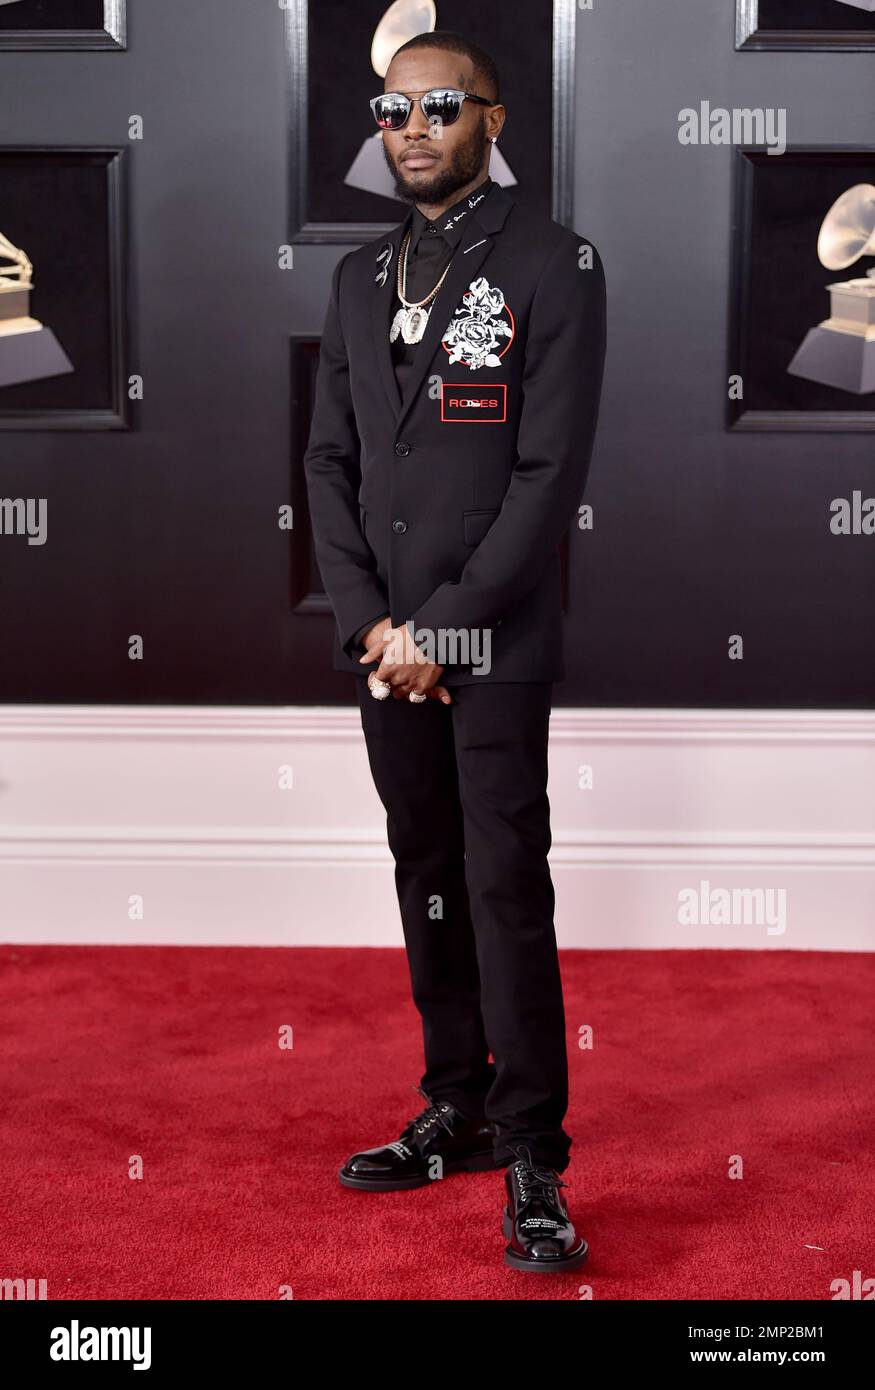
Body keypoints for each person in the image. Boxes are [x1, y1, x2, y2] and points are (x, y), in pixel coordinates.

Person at [304, 29, 606, 1272]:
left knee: (498, 877)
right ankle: (457, 1102)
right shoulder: (356, 276)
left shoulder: (552, 263)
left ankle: (532, 1151)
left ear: (490, 120)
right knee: (420, 858)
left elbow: (546, 477)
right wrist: (370, 620)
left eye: (439, 105)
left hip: (494, 636)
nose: (412, 125)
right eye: (392, 107)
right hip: (386, 641)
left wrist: (446, 626)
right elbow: (326, 463)